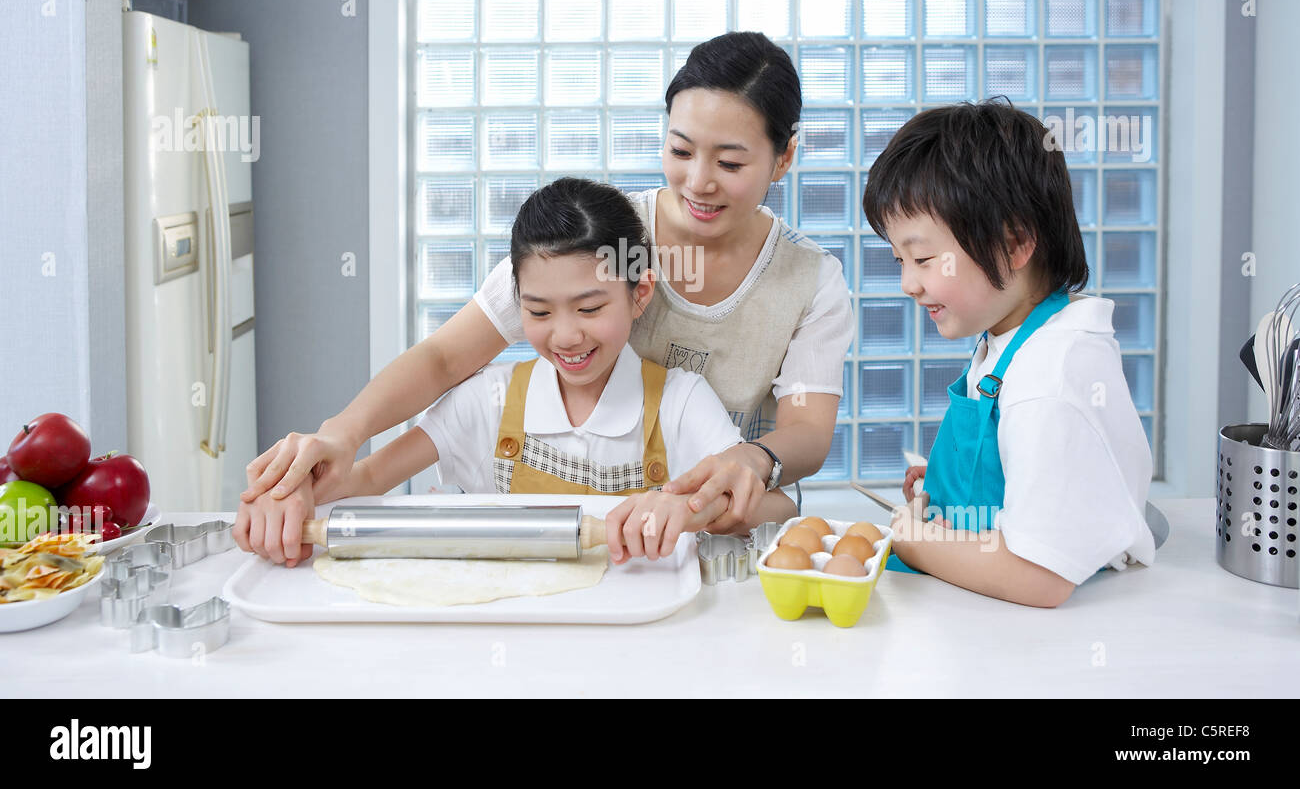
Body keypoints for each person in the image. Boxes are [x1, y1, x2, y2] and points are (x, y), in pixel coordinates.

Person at [239, 31, 854, 567]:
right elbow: (446, 359)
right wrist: (343, 435)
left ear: (784, 157)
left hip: (709, 532)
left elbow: (806, 432)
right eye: (681, 150)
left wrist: (748, 464)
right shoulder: (607, 242)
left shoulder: (807, 279)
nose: (698, 181)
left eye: (730, 161)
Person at [233, 178, 797, 565]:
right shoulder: (489, 399)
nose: (567, 335)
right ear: (516, 300)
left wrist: (690, 508)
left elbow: (777, 507)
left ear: (639, 292)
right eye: (539, 311)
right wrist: (294, 492)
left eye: (591, 307)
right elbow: (362, 482)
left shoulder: (679, 402)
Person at [862, 99, 1155, 608]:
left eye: (925, 258)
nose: (908, 283)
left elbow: (1039, 576)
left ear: (1015, 242)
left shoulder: (1051, 377)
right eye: (900, 260)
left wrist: (915, 539)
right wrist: (951, 494)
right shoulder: (1010, 334)